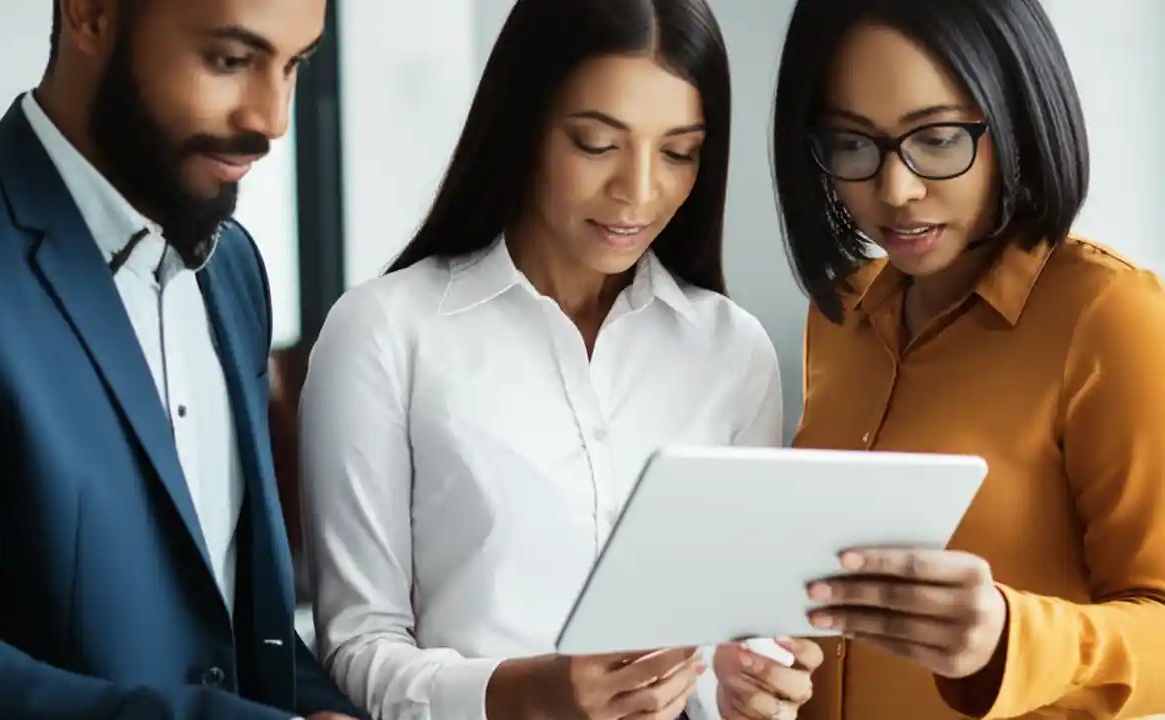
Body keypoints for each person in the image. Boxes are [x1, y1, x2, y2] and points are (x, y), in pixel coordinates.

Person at [299, 1, 822, 719]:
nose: (638, 191)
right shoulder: (386, 332)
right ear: (524, 126)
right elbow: (359, 644)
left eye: (678, 152)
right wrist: (529, 693)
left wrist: (748, 689)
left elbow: (730, 637)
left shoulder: (733, 350)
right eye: (596, 143)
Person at [0, 0, 362, 718]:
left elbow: (235, 631)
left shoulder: (233, 268)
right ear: (91, 14)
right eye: (231, 61)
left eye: (292, 65)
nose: (272, 120)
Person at [768, 0, 1165, 718]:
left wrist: (1011, 637)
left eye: (940, 138)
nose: (895, 191)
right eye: (853, 144)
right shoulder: (841, 316)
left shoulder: (1109, 316)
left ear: (1018, 113)